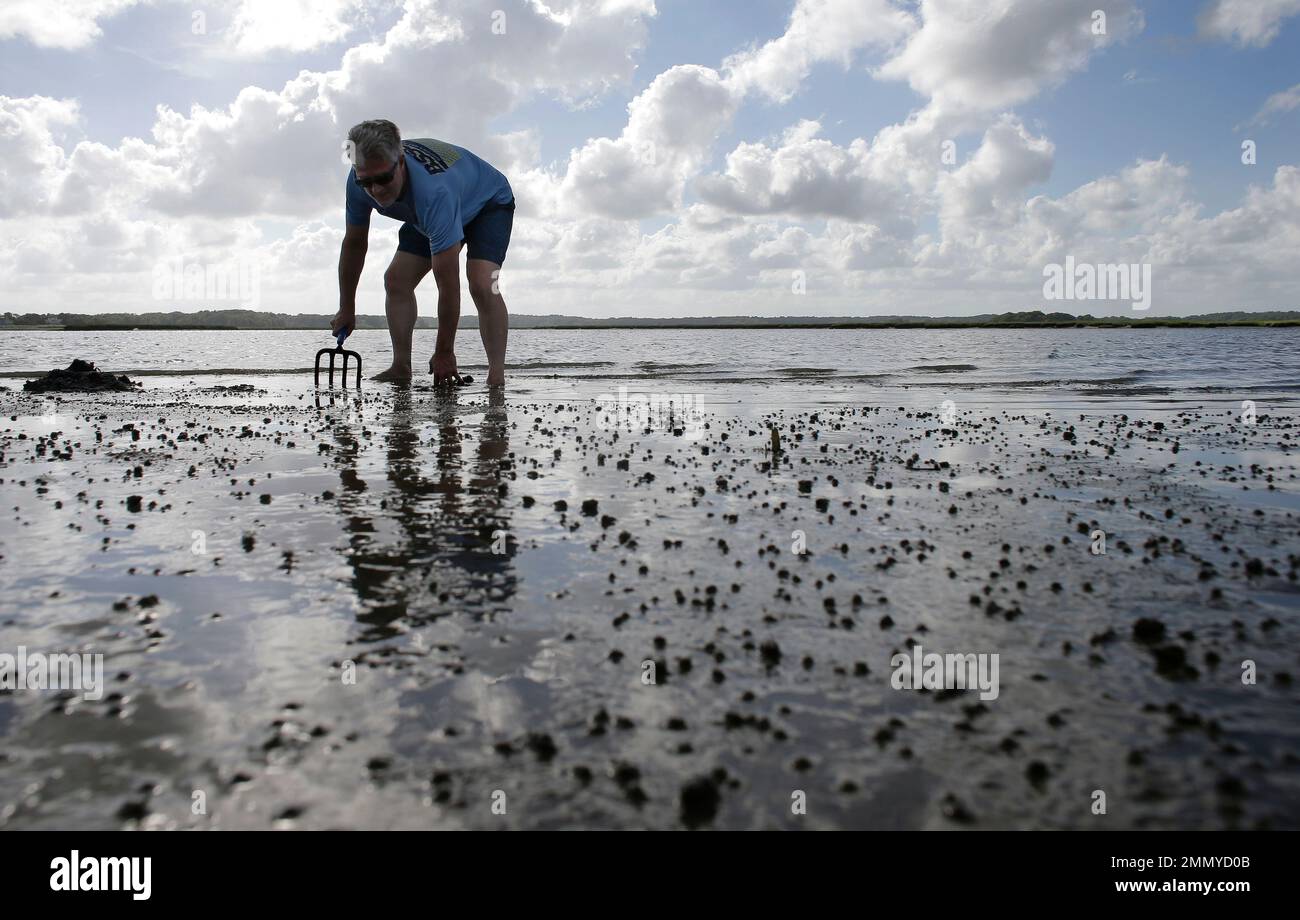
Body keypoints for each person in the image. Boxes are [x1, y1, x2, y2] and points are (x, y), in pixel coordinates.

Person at [331, 119, 514, 386]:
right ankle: (400, 367)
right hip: (426, 213)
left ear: (401, 162)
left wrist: (444, 351)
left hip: (489, 202)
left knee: (483, 282)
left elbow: (448, 283)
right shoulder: (357, 182)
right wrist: (346, 306)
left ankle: (496, 377)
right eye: (366, 182)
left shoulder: (434, 193)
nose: (376, 190)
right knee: (396, 280)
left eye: (384, 179)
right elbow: (354, 243)